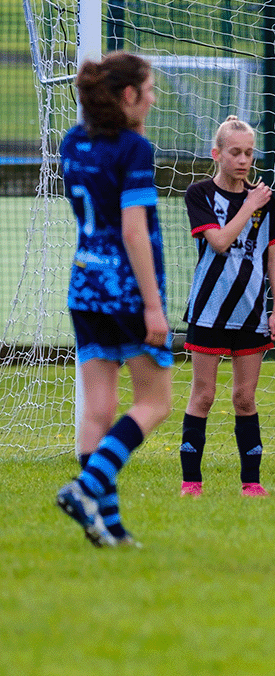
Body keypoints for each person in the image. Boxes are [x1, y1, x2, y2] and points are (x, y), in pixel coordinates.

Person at [55, 51, 173, 547]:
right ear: (128, 96)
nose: (153, 96)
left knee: (98, 408)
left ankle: (110, 528)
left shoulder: (72, 141)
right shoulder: (133, 151)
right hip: (124, 290)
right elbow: (132, 230)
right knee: (156, 401)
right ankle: (86, 488)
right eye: (148, 88)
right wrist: (152, 304)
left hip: (84, 284)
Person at [179, 116, 275, 498]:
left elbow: (273, 255)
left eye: (248, 153)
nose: (243, 160)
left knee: (244, 397)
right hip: (209, 311)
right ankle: (191, 482)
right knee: (203, 395)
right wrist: (250, 204)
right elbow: (221, 242)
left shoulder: (264, 199)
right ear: (217, 154)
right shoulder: (200, 194)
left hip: (251, 312)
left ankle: (251, 482)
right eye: (235, 152)